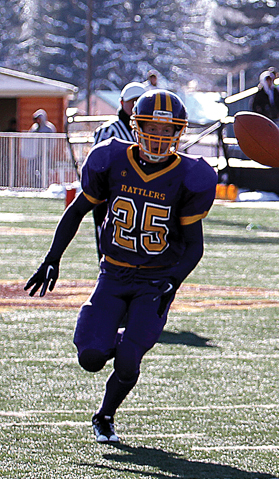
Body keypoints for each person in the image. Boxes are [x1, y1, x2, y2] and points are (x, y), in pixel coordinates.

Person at [25, 90, 217, 444]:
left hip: (154, 281)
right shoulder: (112, 159)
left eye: (168, 130)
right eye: (152, 128)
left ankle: (105, 416)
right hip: (113, 274)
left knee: (129, 360)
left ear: (179, 133)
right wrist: (52, 257)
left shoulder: (190, 176)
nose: (159, 138)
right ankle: (107, 337)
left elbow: (195, 246)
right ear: (136, 126)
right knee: (92, 357)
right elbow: (77, 211)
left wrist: (172, 281)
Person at [90, 82, 148, 259]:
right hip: (112, 195)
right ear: (122, 103)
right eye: (132, 102)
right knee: (109, 247)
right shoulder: (109, 130)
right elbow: (97, 167)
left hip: (142, 195)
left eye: (139, 102)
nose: (135, 106)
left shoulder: (149, 131)